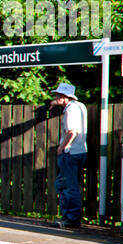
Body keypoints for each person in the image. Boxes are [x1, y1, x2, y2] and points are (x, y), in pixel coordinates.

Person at [50, 82, 87, 229]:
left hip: (70, 152)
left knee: (67, 186)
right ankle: (70, 217)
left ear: (66, 97)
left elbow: (72, 131)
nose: (56, 97)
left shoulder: (70, 111)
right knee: (66, 184)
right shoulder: (80, 106)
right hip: (80, 150)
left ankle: (71, 219)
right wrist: (55, 103)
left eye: (58, 95)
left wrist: (61, 147)